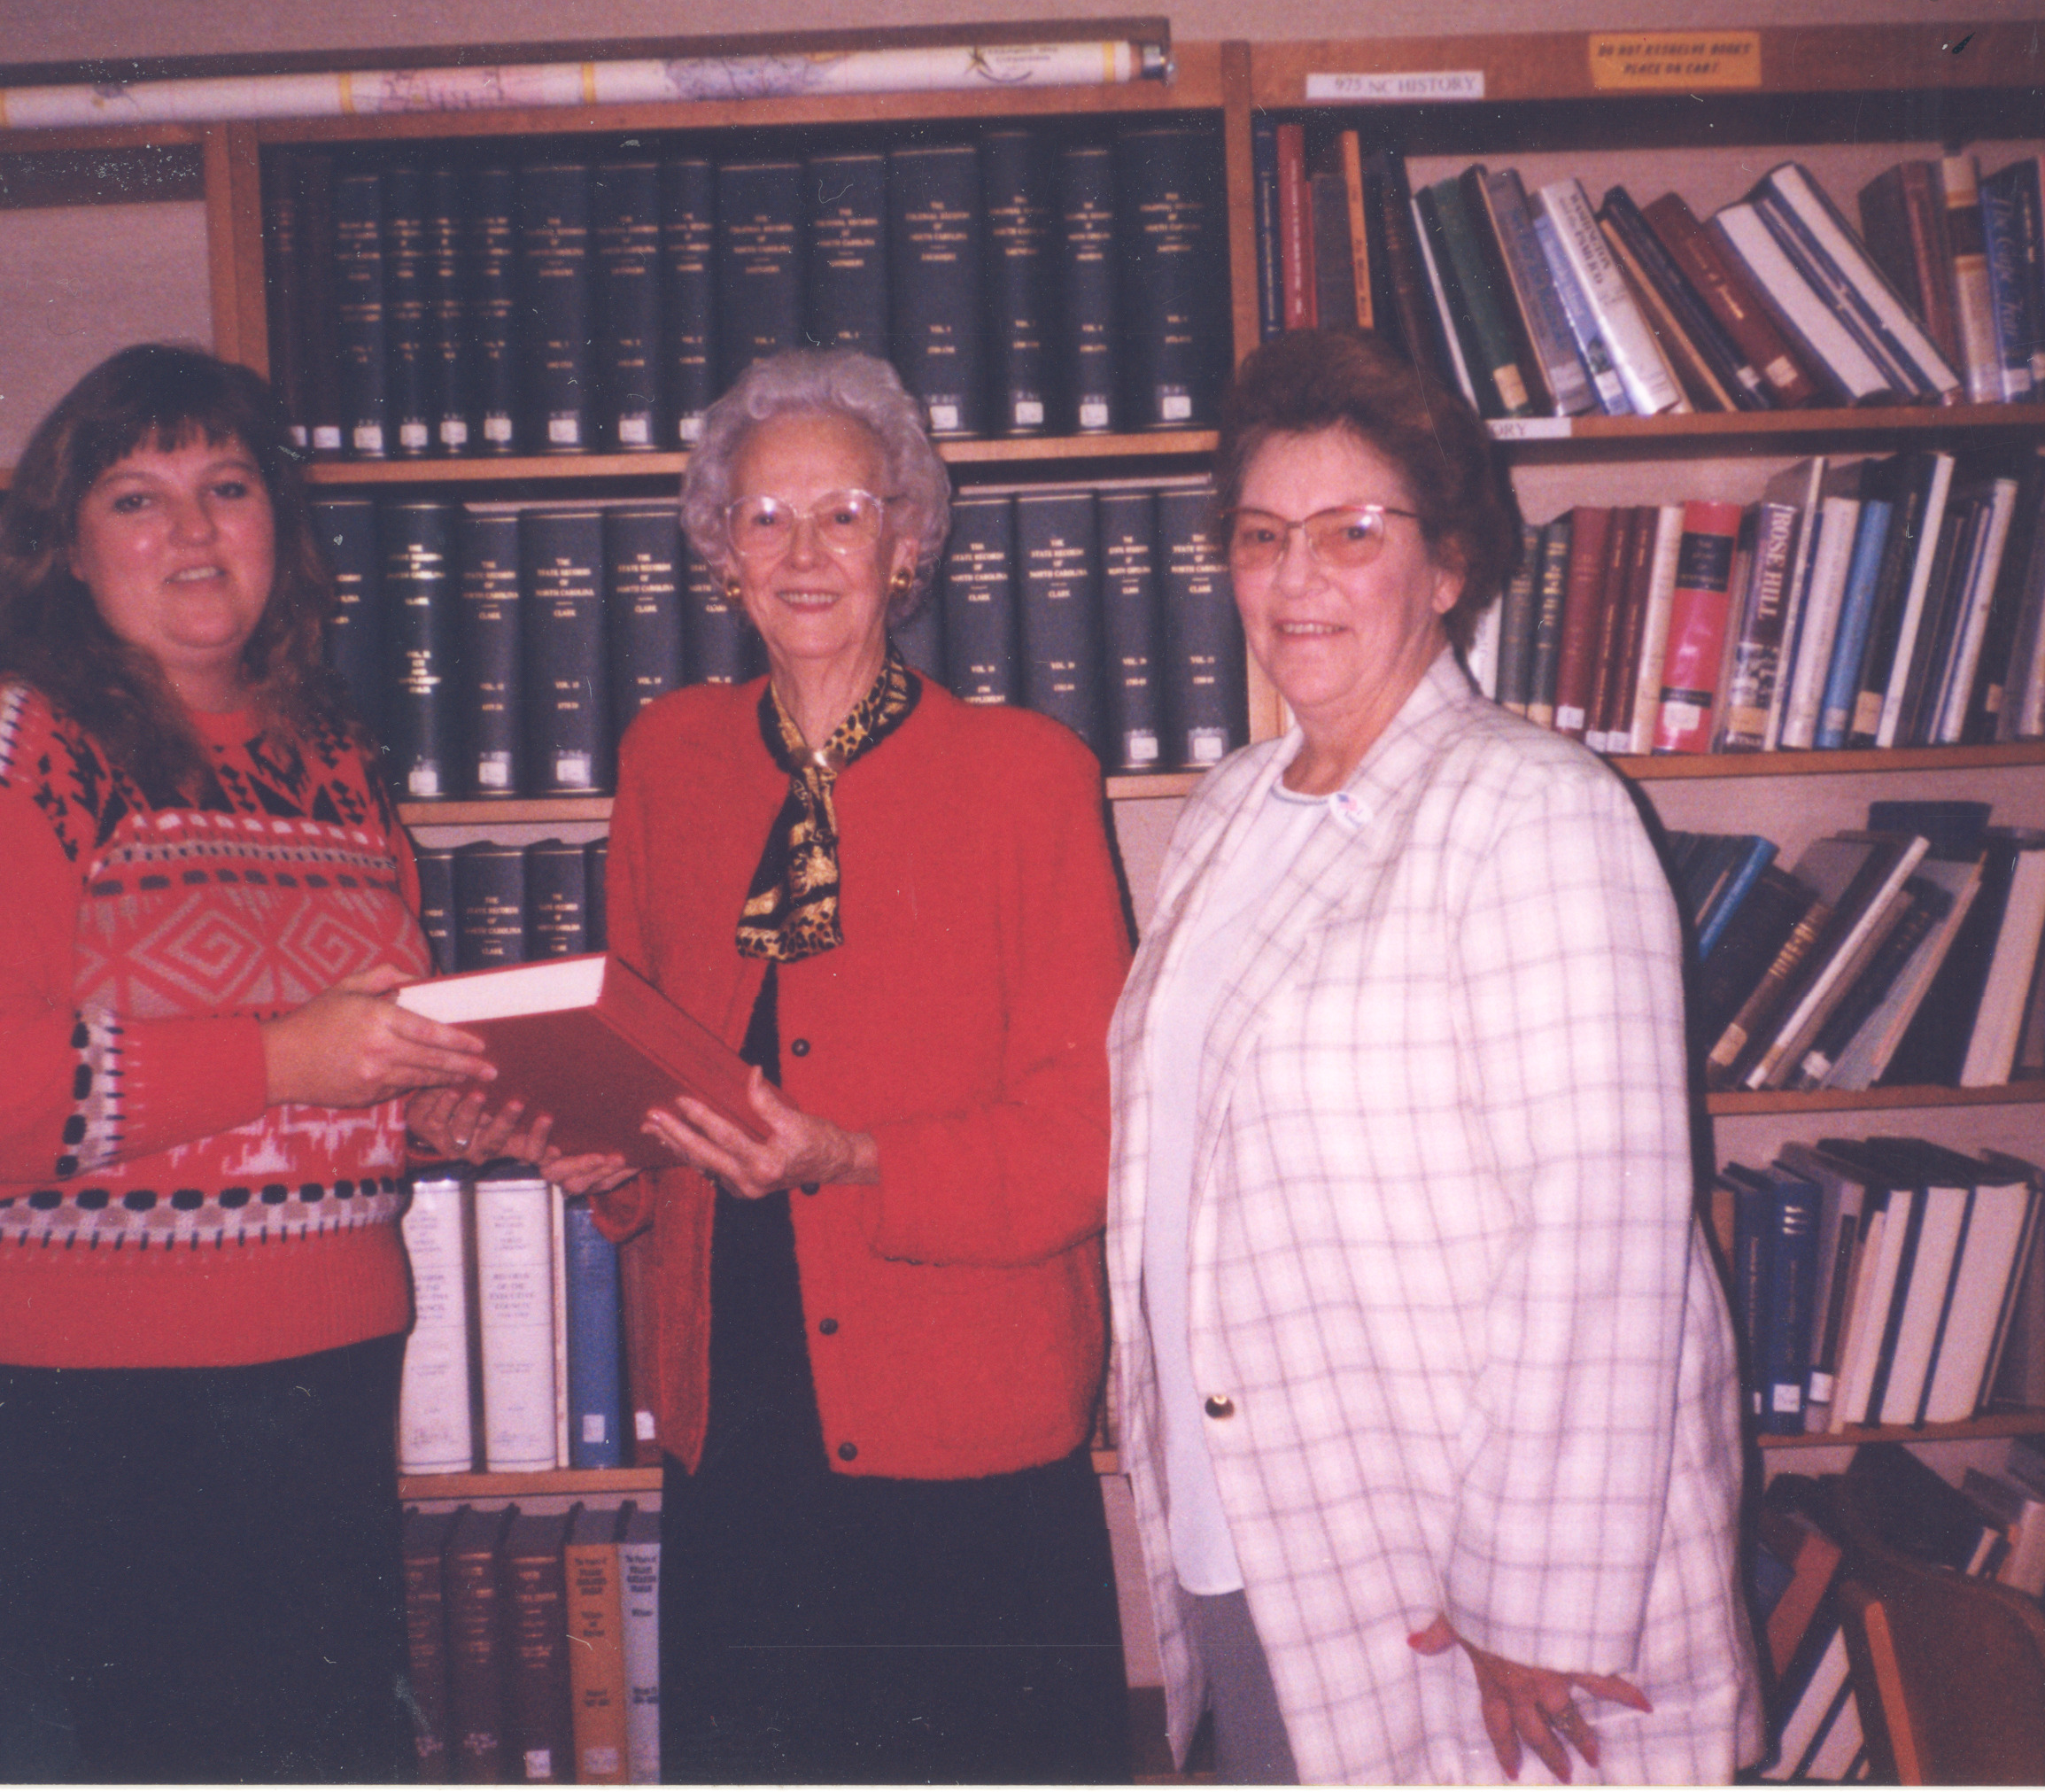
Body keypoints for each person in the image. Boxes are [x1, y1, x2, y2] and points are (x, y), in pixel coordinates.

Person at [0, 343, 520, 1780]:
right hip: (52, 1407)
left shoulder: (336, 759)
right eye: (138, 500)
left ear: (281, 523)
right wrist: (281, 1060)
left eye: (227, 486)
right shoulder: (0, 746)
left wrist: (433, 1090)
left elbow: (350, 1062)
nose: (196, 531)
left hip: (313, 1378)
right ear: (67, 555)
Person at [1105, 330, 1759, 1785]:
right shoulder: (1228, 812)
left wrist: (1531, 1607)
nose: (1295, 581)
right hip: (1259, 1532)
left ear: (1448, 563)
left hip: (1480, 1596)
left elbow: (1601, 1232)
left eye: (1352, 534)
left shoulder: (1534, 812)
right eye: (1262, 538)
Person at [546, 347, 1133, 1783]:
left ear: (910, 541)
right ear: (717, 549)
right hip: (737, 1417)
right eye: (762, 517)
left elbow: (1089, 1131)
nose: (803, 551)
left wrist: (853, 1156)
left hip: (965, 1408)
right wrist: (599, 1152)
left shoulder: (1028, 775)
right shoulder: (666, 759)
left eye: (845, 512)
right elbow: (638, 1050)